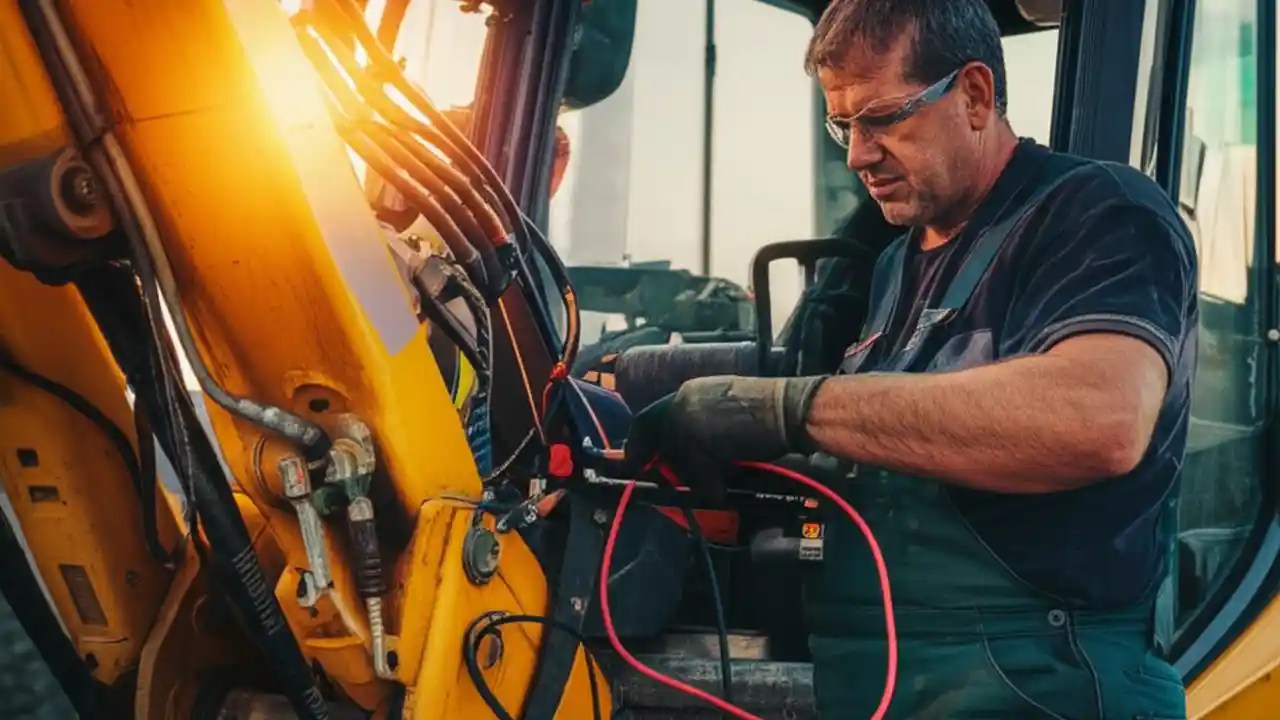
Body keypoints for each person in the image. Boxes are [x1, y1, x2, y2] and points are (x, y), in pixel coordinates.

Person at [623, 0, 1198, 717]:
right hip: (887, 688)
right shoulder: (895, 265)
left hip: (1043, 688)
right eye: (843, 126)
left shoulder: (1099, 213)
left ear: (975, 95)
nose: (858, 155)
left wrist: (788, 409)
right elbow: (891, 453)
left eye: (883, 118)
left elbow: (1097, 421)